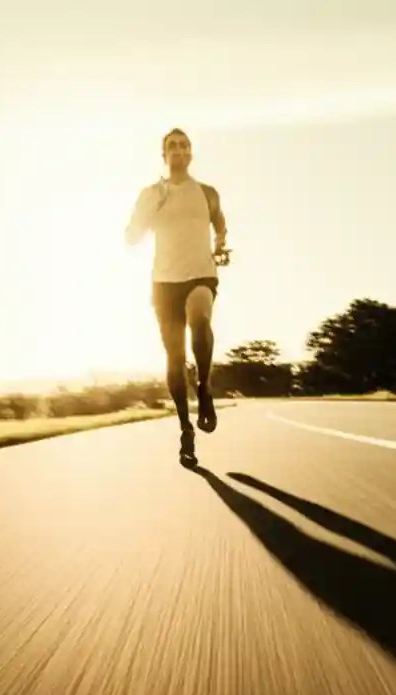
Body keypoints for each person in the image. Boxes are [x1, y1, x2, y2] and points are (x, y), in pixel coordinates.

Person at [125, 127, 230, 467]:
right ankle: (186, 428)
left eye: (184, 145)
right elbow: (131, 237)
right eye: (172, 145)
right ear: (164, 154)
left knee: (199, 319)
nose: (178, 149)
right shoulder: (151, 193)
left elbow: (220, 224)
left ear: (191, 153)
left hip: (201, 273)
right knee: (174, 357)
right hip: (164, 282)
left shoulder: (207, 193)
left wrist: (220, 246)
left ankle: (204, 386)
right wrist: (146, 211)